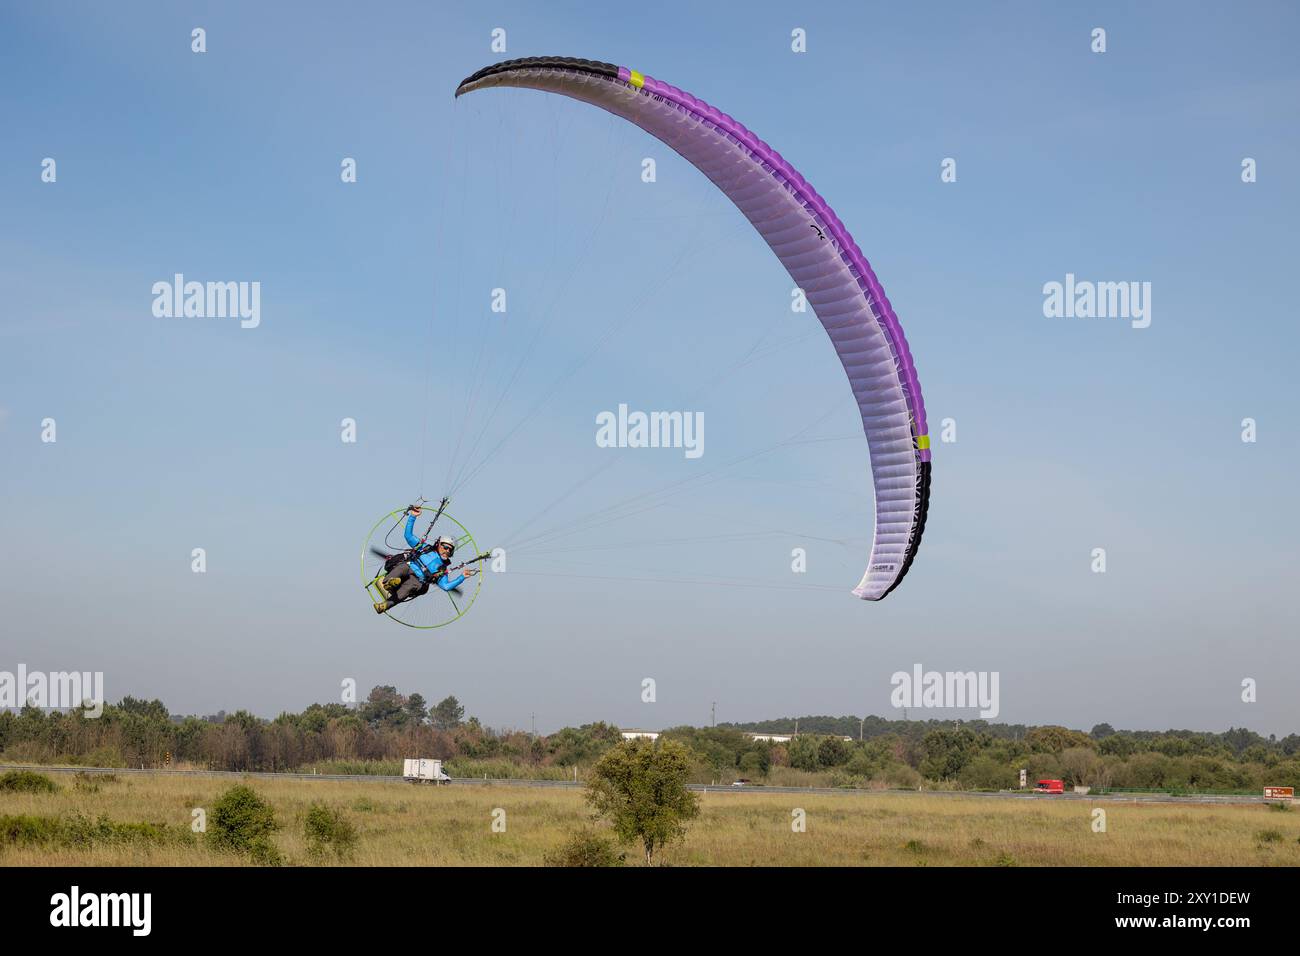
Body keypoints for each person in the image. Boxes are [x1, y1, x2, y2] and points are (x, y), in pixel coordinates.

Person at [373, 505, 478, 614]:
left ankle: (384, 606)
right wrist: (413, 516)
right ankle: (389, 583)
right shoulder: (425, 548)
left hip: (418, 581)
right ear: (438, 544)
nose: (447, 550)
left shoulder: (442, 569)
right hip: (409, 566)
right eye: (445, 547)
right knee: (401, 568)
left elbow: (446, 587)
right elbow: (408, 536)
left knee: (407, 589)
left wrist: (462, 577)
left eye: (450, 549)